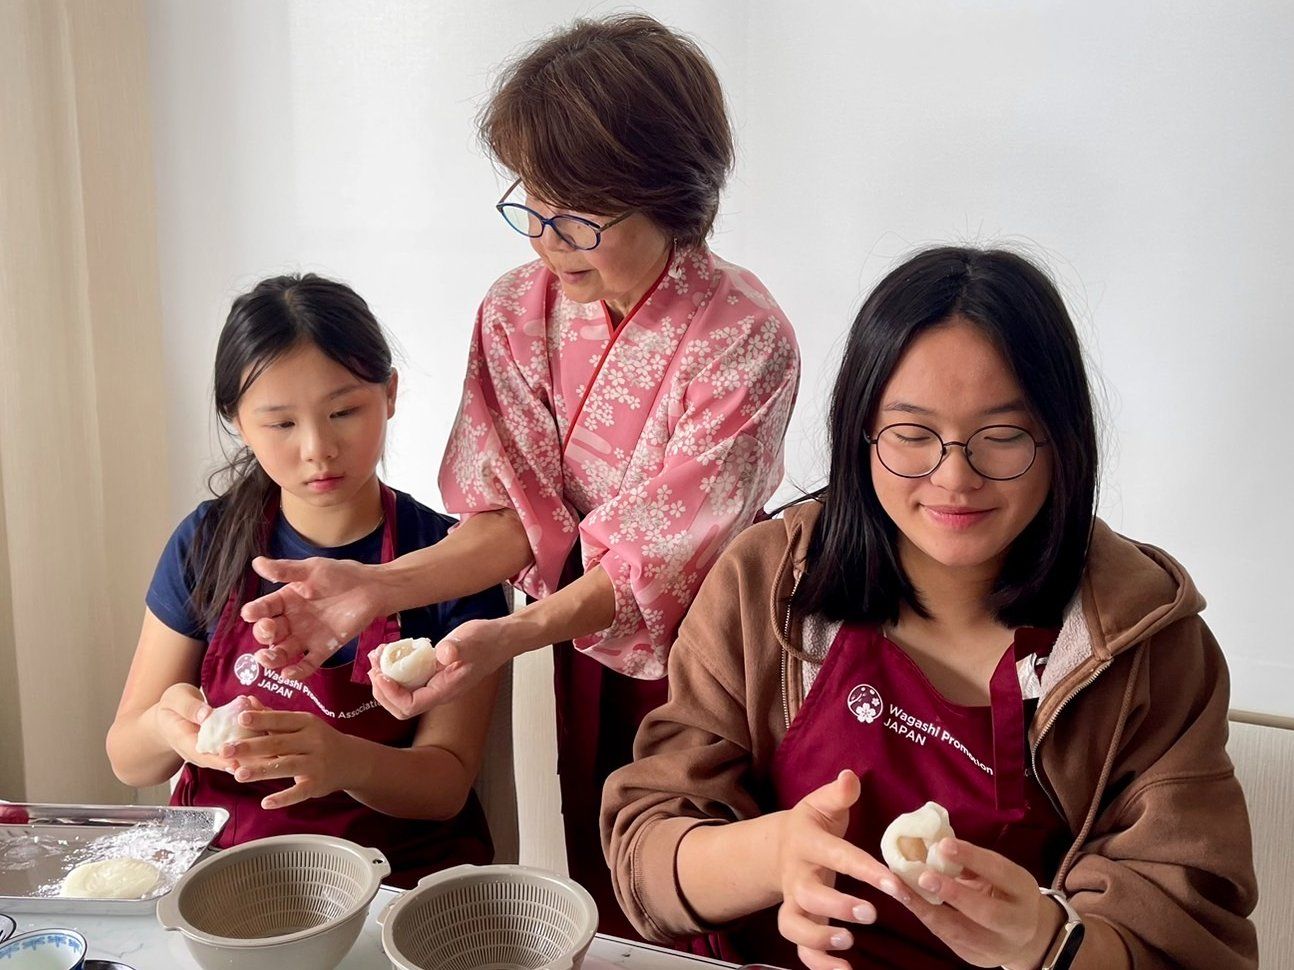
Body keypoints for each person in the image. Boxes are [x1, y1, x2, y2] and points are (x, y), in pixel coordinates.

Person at [237, 15, 800, 937]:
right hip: (581, 647)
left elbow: (654, 566)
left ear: (671, 192)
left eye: (579, 217)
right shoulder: (515, 311)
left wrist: (505, 633)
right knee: (601, 864)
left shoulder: (744, 337)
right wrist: (376, 588)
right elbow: (514, 519)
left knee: (717, 880)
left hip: (723, 648)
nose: (546, 240)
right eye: (532, 206)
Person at [603, 247, 1258, 969]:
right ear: (862, 436)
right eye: (912, 435)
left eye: (1001, 437)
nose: (954, 478)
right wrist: (774, 853)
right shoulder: (767, 588)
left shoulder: (1145, 644)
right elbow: (645, 849)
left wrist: (1048, 942)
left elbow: (1197, 940)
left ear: (1060, 441)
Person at [106, 274, 507, 888]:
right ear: (236, 421)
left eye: (344, 411)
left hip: (399, 888)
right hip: (225, 878)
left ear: (390, 393)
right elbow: (129, 759)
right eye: (281, 424)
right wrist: (171, 725)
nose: (319, 448)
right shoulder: (208, 545)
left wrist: (344, 760)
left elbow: (445, 785)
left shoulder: (449, 559)